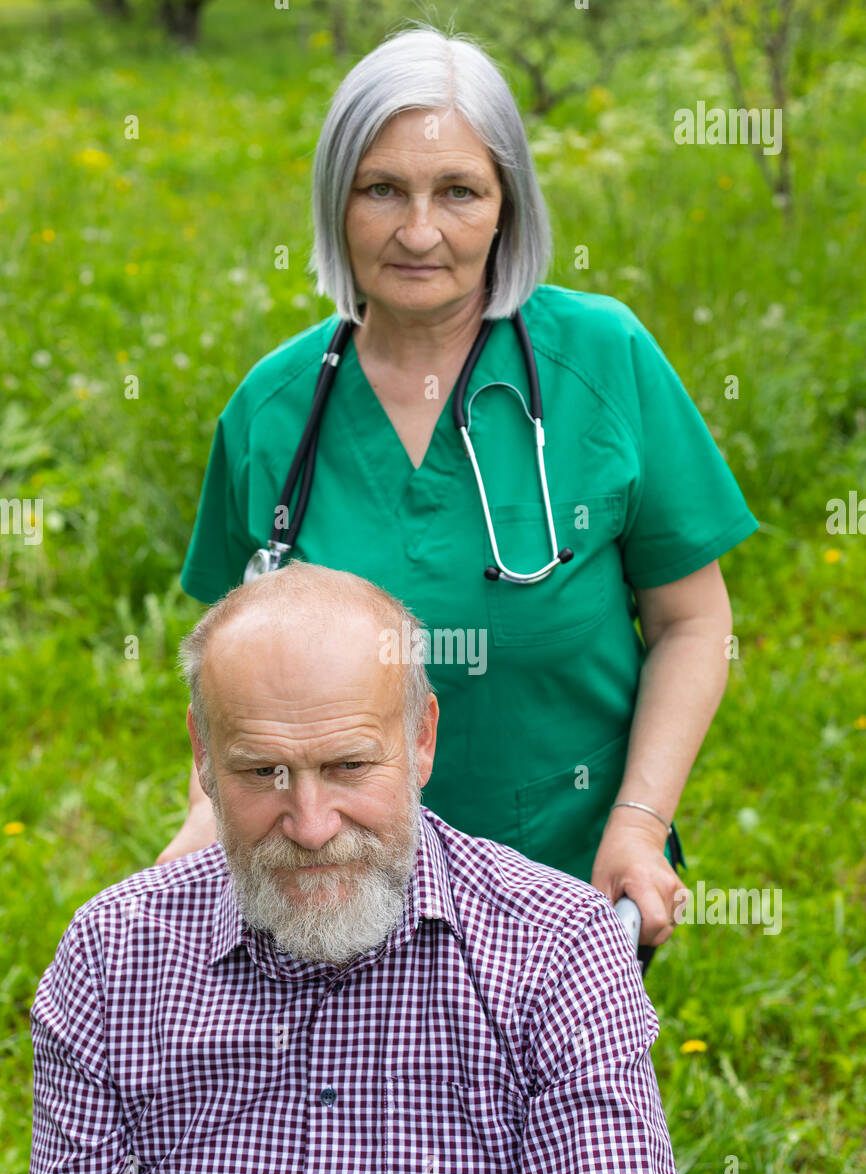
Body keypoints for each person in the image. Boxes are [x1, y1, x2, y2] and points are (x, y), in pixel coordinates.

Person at [159, 23, 759, 954]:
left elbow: (692, 622)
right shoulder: (271, 414)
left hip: (561, 879)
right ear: (336, 201)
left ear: (508, 206)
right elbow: (241, 691)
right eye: (382, 188)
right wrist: (201, 834)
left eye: (459, 191)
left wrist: (639, 820)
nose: (419, 231)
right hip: (331, 889)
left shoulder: (605, 363)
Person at [14, 562, 690, 1174]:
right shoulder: (113, 957)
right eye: (263, 771)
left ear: (422, 737)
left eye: (348, 766)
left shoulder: (558, 948)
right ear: (204, 757)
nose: (310, 826)